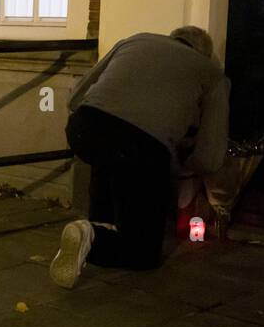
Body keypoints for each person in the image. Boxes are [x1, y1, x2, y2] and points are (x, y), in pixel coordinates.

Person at [49, 26, 230, 289]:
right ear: (205, 53)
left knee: (109, 160)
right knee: (143, 253)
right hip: (142, 146)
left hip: (85, 128)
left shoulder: (134, 40)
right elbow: (210, 155)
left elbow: (77, 95)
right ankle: (94, 237)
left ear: (172, 38)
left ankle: (94, 230)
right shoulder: (213, 74)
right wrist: (185, 165)